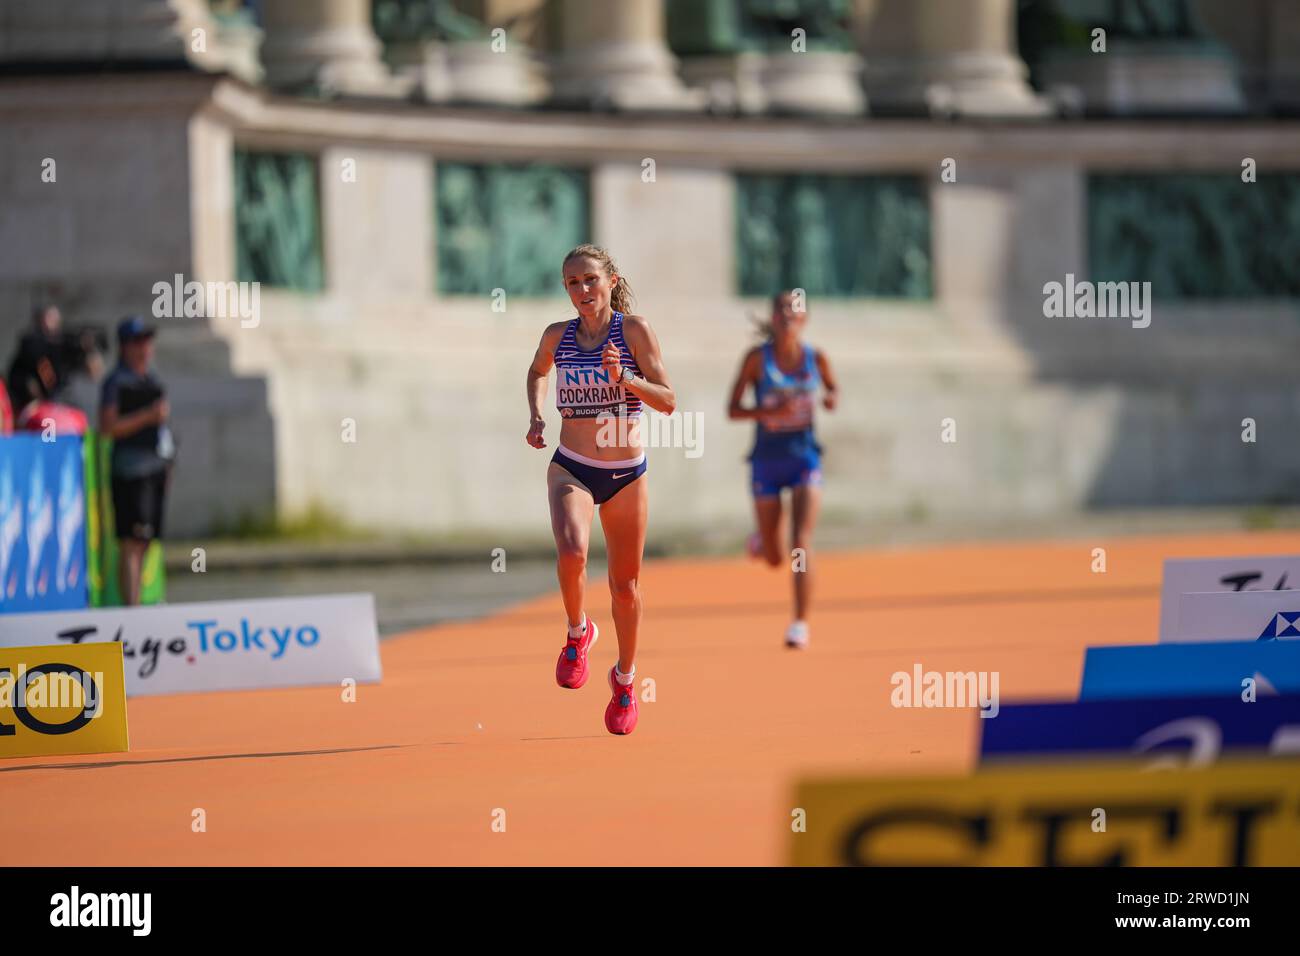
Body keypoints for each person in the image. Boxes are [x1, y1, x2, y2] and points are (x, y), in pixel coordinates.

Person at [525, 244, 676, 735]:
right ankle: (577, 633)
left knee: (625, 588)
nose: (582, 291)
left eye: (590, 280)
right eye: (572, 283)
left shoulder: (632, 331)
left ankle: (625, 680)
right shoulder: (558, 335)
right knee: (572, 552)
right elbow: (537, 370)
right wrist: (535, 414)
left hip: (627, 473)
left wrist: (625, 378)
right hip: (572, 466)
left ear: (611, 280)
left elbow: (669, 401)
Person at [726, 291, 839, 648]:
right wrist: (768, 414)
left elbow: (832, 389)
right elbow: (732, 409)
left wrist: (830, 398)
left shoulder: (815, 358)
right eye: (781, 309)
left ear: (804, 318)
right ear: (773, 317)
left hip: (804, 457)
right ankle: (763, 539)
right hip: (767, 460)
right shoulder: (757, 361)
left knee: (801, 541)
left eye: (795, 309)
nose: (788, 314)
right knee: (775, 558)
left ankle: (800, 623)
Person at [99, 316, 174, 605]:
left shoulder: (152, 378)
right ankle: (131, 614)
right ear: (126, 346)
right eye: (140, 342)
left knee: (145, 543)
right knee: (131, 543)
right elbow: (108, 427)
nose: (146, 348)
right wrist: (147, 417)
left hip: (155, 467)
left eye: (148, 341)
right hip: (130, 470)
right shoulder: (116, 382)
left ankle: (139, 607)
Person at [6, 303, 101, 412]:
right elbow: (39, 362)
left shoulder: (65, 344)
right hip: (31, 405)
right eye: (49, 317)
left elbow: (95, 372)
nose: (52, 322)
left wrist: (86, 348)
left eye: (55, 318)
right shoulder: (31, 342)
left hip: (60, 403)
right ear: (40, 320)